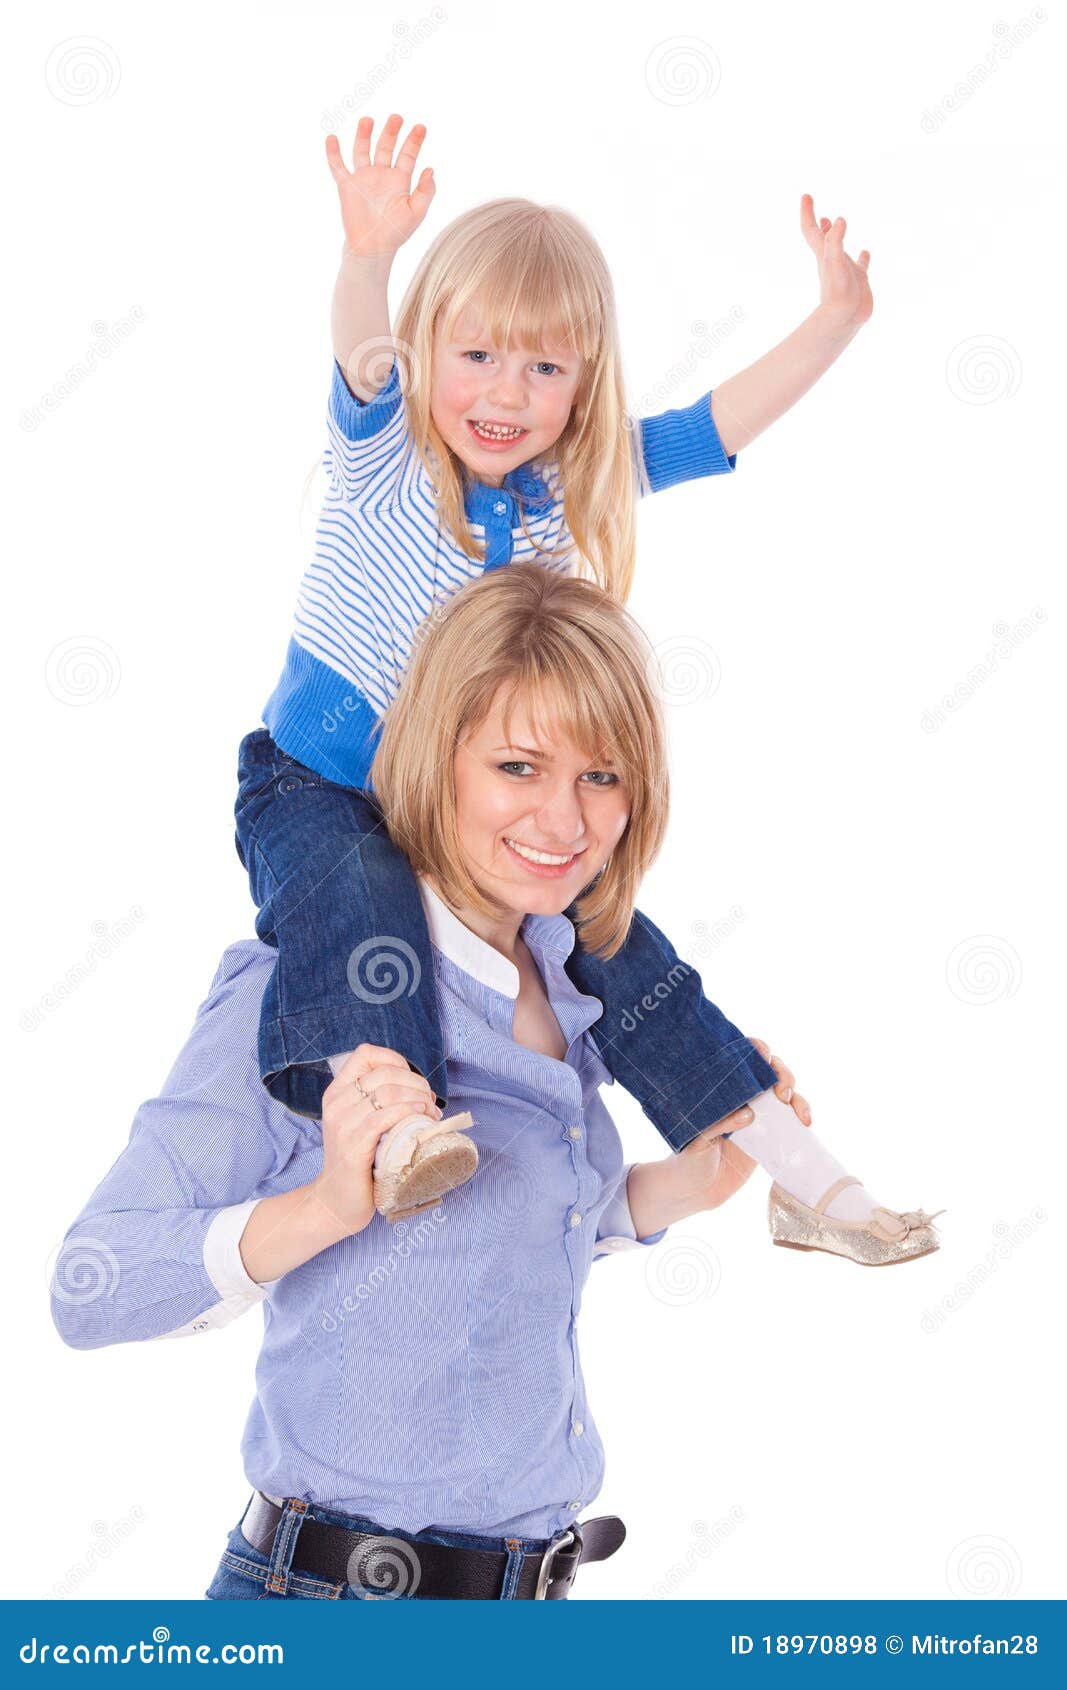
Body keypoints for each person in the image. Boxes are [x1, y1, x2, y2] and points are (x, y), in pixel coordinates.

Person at [238, 113, 940, 1258]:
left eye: (543, 366)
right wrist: (366, 254)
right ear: (427, 360)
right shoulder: (389, 446)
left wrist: (832, 322)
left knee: (611, 931)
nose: (503, 393)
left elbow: (713, 426)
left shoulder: (569, 488)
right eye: (476, 355)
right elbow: (363, 340)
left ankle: (789, 1164)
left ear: (581, 381)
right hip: (321, 788)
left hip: (464, 806)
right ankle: (399, 1127)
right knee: (356, 907)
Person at [51, 567, 777, 1601]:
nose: (563, 820)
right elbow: (93, 1281)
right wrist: (326, 1205)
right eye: (517, 766)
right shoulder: (308, 995)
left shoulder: (569, 988)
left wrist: (683, 1187)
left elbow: (504, 1236)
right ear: (436, 762)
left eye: (601, 775)